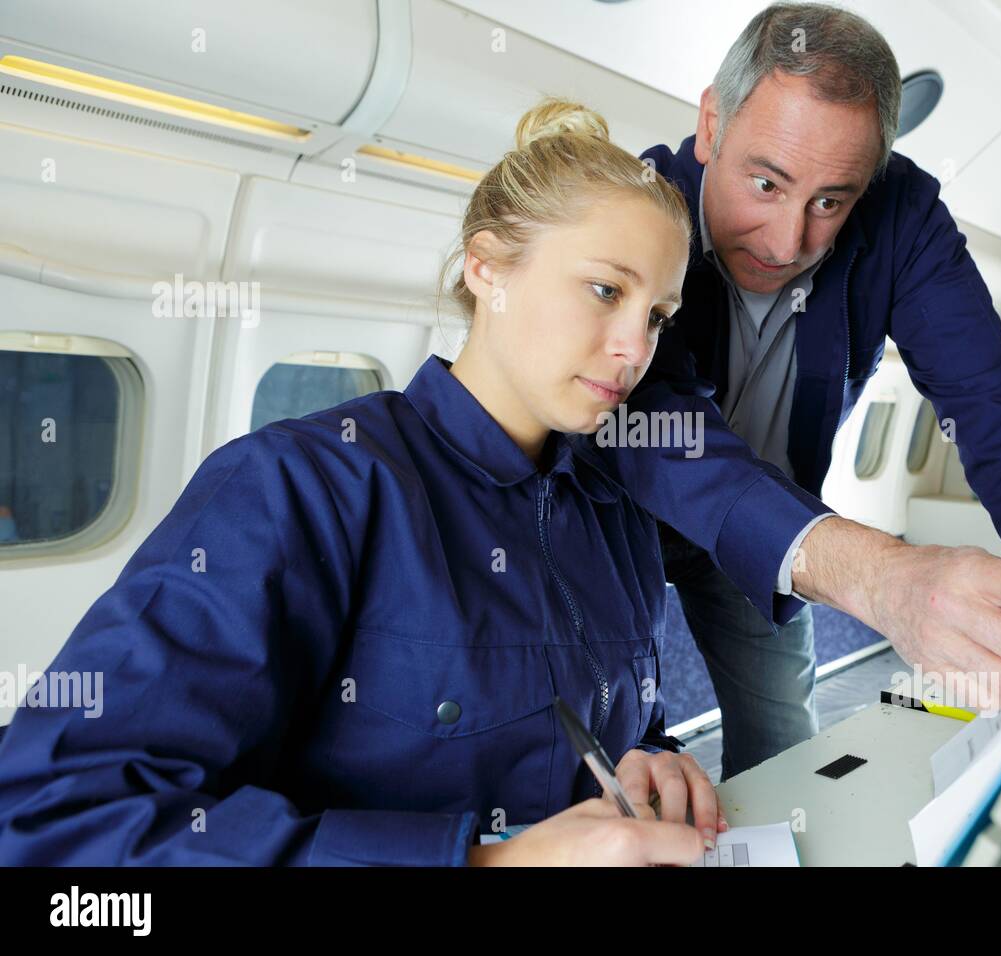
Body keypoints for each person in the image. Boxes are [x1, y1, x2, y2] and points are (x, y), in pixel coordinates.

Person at [0, 99, 722, 866]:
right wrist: (490, 862)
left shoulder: (615, 512)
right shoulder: (298, 486)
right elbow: (59, 815)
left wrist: (650, 761)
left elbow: (620, 721)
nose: (633, 347)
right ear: (487, 267)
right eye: (606, 291)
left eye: (658, 316)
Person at [580, 1, 1001, 778]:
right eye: (765, 183)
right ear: (710, 123)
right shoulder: (633, 204)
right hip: (615, 524)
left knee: (787, 748)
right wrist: (878, 574)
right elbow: (656, 422)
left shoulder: (902, 215)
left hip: (775, 537)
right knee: (617, 757)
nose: (786, 241)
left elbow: (997, 410)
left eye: (830, 202)